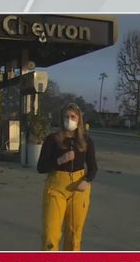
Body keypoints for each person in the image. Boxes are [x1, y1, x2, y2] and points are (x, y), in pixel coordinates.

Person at [36, 103, 97, 251]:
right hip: (56, 187)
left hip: (78, 188)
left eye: (73, 117)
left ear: (79, 119)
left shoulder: (86, 141)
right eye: (66, 117)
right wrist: (59, 160)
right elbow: (41, 167)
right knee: (51, 234)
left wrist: (86, 180)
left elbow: (93, 167)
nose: (69, 120)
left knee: (74, 234)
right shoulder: (52, 139)